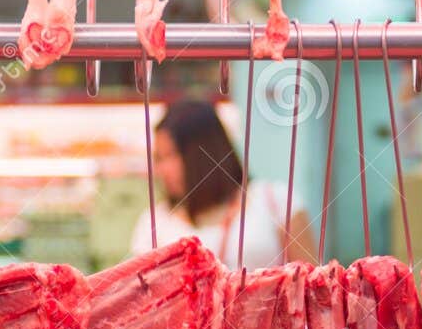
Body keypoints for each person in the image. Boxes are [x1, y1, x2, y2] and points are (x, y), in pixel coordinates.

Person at [129, 100, 316, 267]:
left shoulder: (277, 202)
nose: (161, 169)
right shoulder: (153, 224)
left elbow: (314, 291)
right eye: (158, 158)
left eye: (169, 156)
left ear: (202, 155)